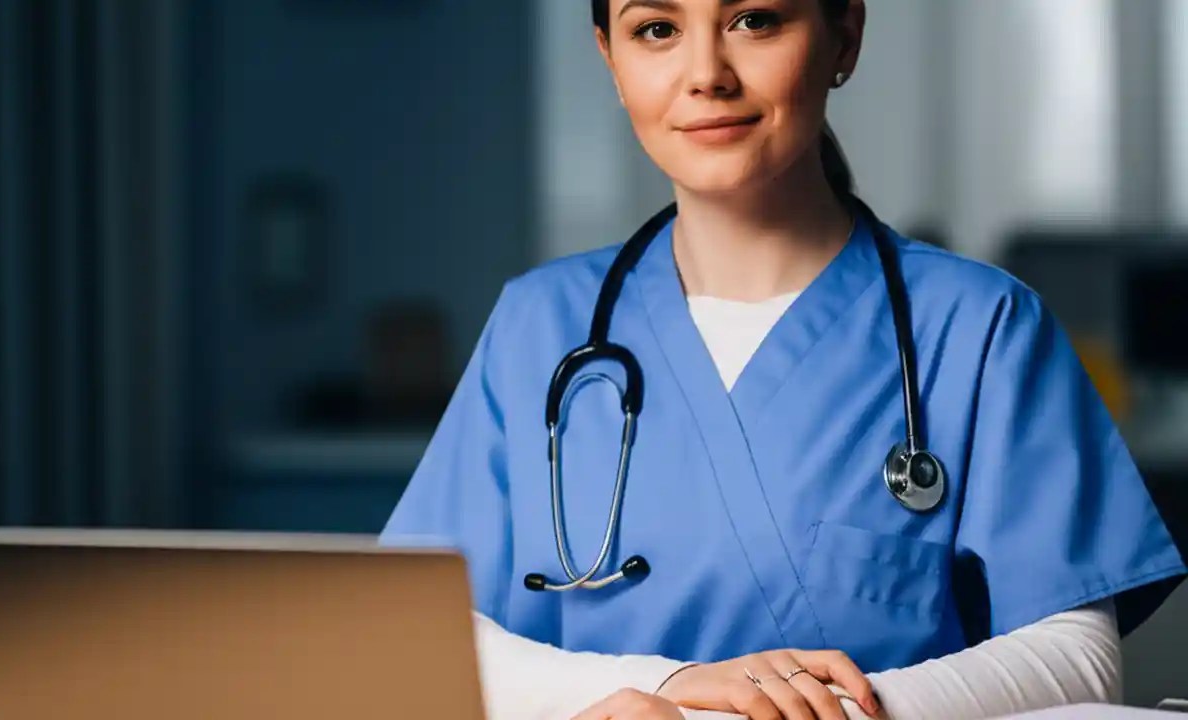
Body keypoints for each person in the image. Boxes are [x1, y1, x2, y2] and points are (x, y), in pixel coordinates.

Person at [380, 1, 1186, 717]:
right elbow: (411, 634)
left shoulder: (981, 326)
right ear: (612, 61)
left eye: (754, 20)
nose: (706, 74)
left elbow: (1079, 658)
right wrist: (660, 688)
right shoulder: (538, 324)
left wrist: (843, 712)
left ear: (846, 34)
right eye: (656, 29)